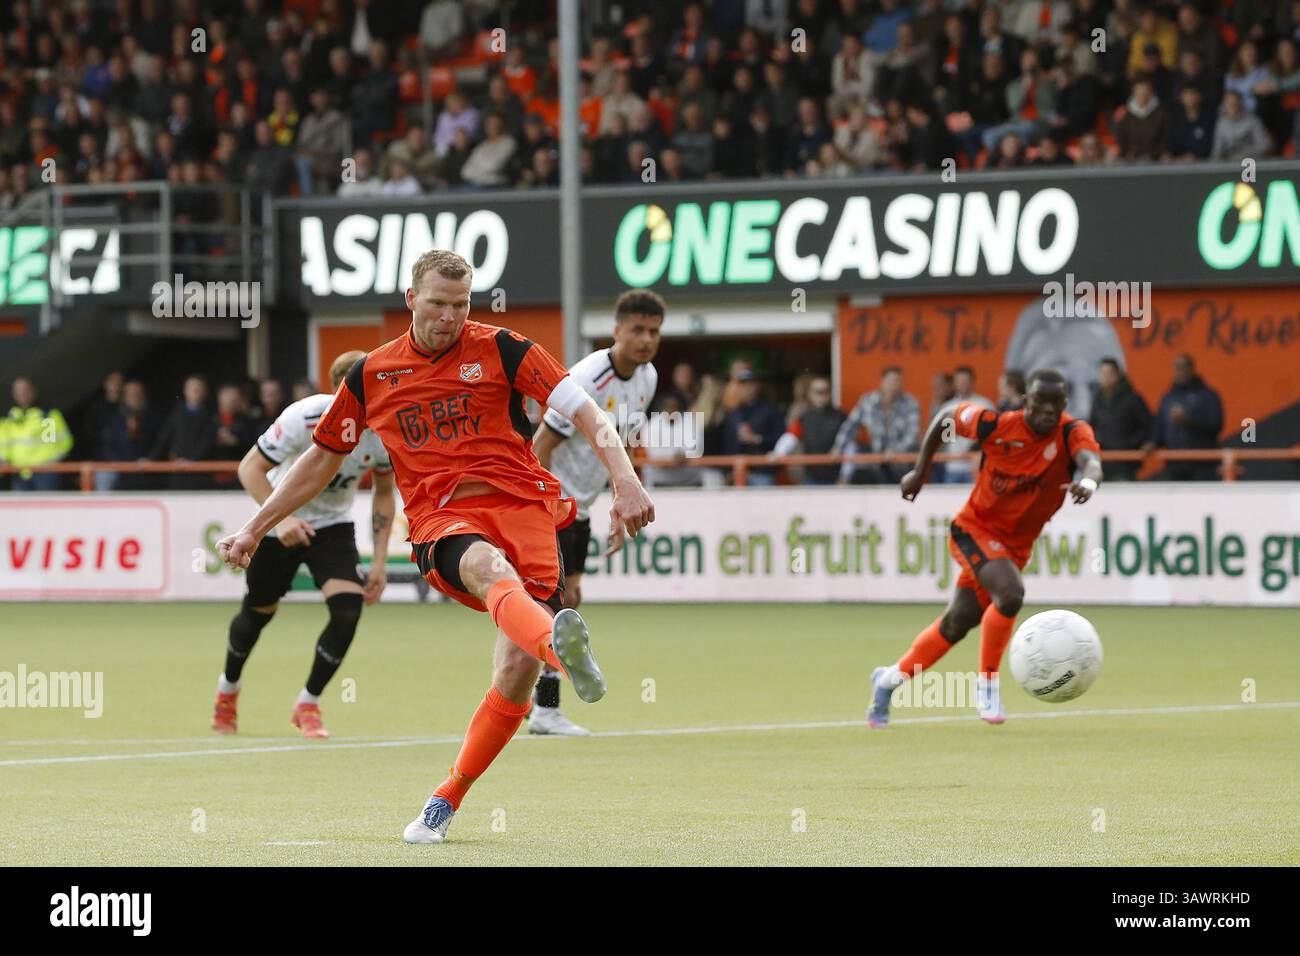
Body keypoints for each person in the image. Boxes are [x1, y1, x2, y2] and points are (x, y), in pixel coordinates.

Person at [215, 249, 655, 845]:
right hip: (441, 515)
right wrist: (256, 526)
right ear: (411, 299)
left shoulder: (503, 348)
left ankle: (445, 799)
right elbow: (321, 458)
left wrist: (626, 479)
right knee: (484, 565)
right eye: (438, 303)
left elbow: (584, 411)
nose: (450, 316)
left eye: (461, 303)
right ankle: (559, 644)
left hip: (526, 507)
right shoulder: (371, 373)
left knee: (514, 671)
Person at [868, 369, 1103, 727]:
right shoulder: (994, 424)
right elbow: (946, 418)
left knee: (955, 625)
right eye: (1039, 402)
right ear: (1026, 400)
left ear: (1064, 405)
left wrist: (1087, 481)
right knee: (1009, 594)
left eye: (1055, 405)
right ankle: (988, 685)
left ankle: (887, 681)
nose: (1046, 411)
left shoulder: (1072, 432)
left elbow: (1092, 462)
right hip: (973, 529)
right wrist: (920, 470)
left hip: (1014, 547)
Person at [212, 351, 396, 739]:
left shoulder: (383, 429)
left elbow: (383, 492)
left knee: (347, 609)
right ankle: (228, 690)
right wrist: (284, 518)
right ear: (339, 390)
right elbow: (249, 469)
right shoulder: (305, 416)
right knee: (258, 613)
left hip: (332, 524)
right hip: (280, 522)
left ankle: (308, 702)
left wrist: (379, 561)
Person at [531, 290, 664, 735]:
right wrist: (539, 506)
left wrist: (618, 501)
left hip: (582, 506)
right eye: (638, 330)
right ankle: (543, 708)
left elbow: (621, 443)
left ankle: (538, 704)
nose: (646, 340)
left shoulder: (647, 378)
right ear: (617, 331)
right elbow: (541, 444)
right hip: (554, 503)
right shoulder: (587, 378)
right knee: (553, 602)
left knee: (568, 598)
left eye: (654, 331)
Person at [834, 367, 921, 485]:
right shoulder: (867, 401)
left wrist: (895, 450)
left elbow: (912, 434)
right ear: (881, 382)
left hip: (902, 466)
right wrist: (838, 447)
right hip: (876, 465)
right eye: (891, 381)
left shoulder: (910, 403)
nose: (894, 385)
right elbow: (850, 426)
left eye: (898, 381)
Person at [1145, 354, 1224, 480]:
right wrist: (1152, 442)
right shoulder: (1168, 398)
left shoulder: (1207, 396)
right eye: (1177, 368)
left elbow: (1215, 425)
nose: (1179, 372)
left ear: (1192, 369)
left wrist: (1188, 420)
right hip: (1174, 464)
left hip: (1202, 465)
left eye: (1183, 368)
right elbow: (1160, 426)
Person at [0, 377, 74, 491]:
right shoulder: (9, 417)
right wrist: (4, 462)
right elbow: (3, 445)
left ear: (32, 391)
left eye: (25, 390)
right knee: (19, 508)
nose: (22, 394)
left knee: (46, 507)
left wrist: (51, 463)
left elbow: (60, 444)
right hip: (18, 473)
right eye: (18, 391)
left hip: (45, 473)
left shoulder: (46, 415)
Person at [770, 376, 847, 485]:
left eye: (825, 391)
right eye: (817, 391)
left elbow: (850, 444)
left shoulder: (840, 416)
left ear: (830, 393)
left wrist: (845, 475)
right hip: (812, 477)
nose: (821, 395)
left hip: (836, 477)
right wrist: (778, 453)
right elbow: (790, 437)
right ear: (810, 394)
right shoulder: (805, 417)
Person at [1088, 358, 1152, 481]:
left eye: (1109, 373)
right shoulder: (1097, 400)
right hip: (1102, 461)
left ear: (1118, 374)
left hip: (1125, 463)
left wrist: (1130, 444)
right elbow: (1092, 425)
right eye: (1102, 374)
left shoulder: (1132, 399)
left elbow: (1147, 426)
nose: (1106, 377)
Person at [150, 374, 216, 488]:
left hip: (201, 473)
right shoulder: (176, 413)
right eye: (192, 388)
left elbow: (208, 442)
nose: (195, 391)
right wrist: (150, 459)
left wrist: (192, 460)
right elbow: (164, 439)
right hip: (178, 471)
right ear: (185, 390)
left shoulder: (210, 415)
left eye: (199, 388)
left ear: (205, 392)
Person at [721, 368, 785, 486]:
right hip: (737, 472)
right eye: (742, 385)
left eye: (750, 384)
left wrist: (757, 439)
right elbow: (728, 444)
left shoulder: (770, 410)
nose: (746, 388)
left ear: (757, 385)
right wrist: (728, 470)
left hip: (762, 471)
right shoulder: (734, 413)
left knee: (764, 504)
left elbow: (782, 438)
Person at [942, 366, 996, 483]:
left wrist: (974, 446)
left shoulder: (984, 405)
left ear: (972, 382)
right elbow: (946, 437)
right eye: (959, 381)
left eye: (965, 381)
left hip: (977, 466)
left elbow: (992, 435)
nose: (962, 384)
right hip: (953, 466)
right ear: (954, 383)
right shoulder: (948, 407)